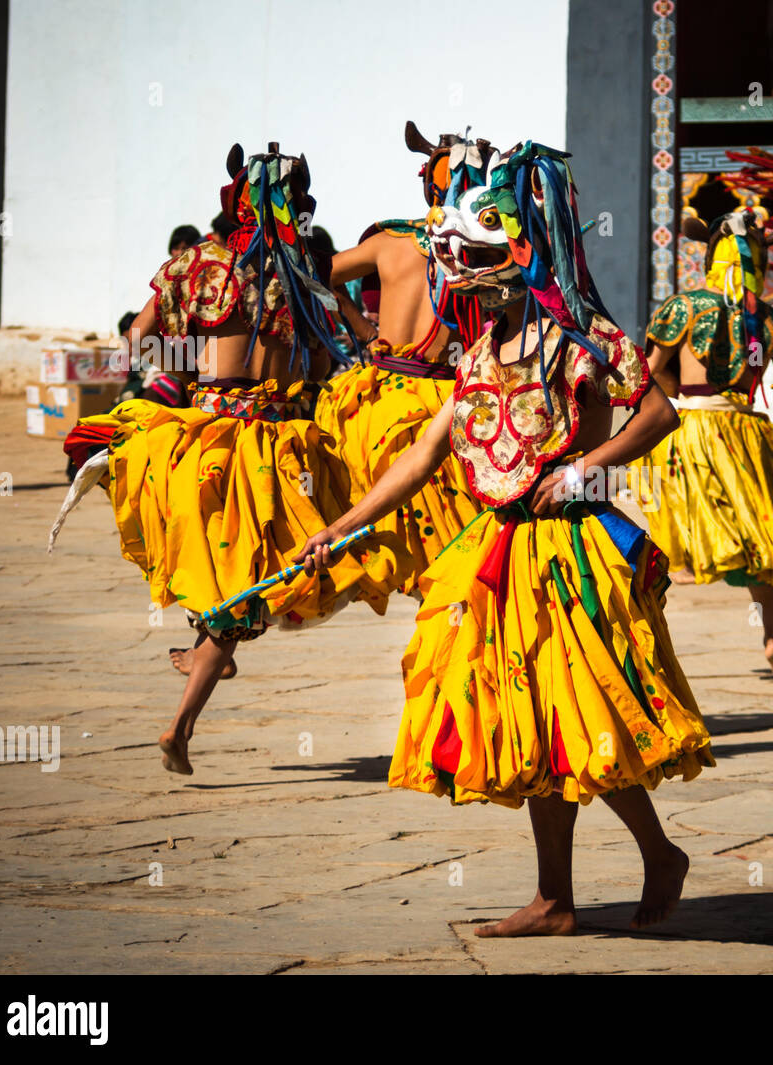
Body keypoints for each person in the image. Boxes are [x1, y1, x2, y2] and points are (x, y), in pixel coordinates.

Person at [298, 141, 713, 936]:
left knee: (584, 713)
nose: (468, 287)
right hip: (497, 549)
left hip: (572, 548)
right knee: (529, 723)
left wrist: (587, 465)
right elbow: (423, 455)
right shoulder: (481, 352)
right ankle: (554, 898)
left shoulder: (582, 336)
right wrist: (341, 525)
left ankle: (659, 853)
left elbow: (657, 412)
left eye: (479, 266)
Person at [51, 144, 411, 775]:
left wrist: (194, 361)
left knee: (220, 567)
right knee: (246, 589)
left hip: (199, 439)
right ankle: (180, 724)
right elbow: (320, 368)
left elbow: (136, 344)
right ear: (298, 205)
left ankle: (199, 660)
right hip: (268, 451)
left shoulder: (194, 265)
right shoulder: (304, 282)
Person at [639, 208, 773, 683]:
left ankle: (652, 654)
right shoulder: (771, 321)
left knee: (670, 549)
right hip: (748, 437)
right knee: (763, 541)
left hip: (685, 435)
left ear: (712, 254)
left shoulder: (682, 309)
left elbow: (648, 373)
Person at [313, 124, 495, 597]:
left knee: (402, 531)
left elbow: (317, 276)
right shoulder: (486, 251)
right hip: (446, 402)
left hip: (380, 403)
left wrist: (362, 327)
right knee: (457, 534)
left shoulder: (389, 242)